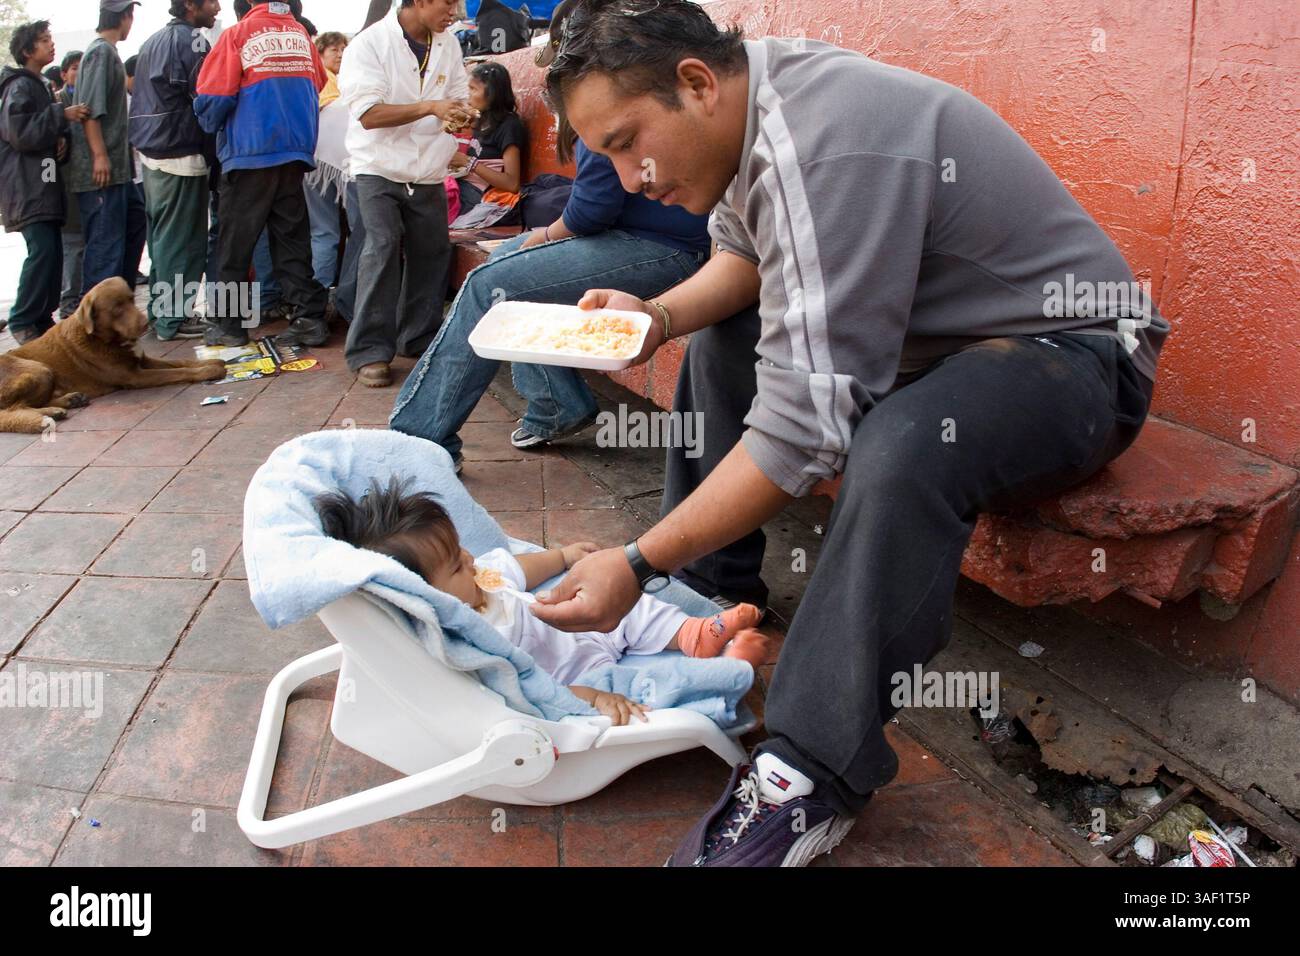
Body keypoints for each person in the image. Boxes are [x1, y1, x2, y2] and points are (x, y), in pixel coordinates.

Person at [531, 0, 1170, 866]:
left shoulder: (827, 144)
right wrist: (656, 314)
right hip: (938, 343)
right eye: (602, 152)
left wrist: (638, 557)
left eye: (623, 139)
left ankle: (811, 772)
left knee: (906, 445)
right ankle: (712, 604)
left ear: (693, 83)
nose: (628, 174)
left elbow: (799, 439)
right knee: (723, 341)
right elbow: (747, 259)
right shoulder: (748, 103)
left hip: (1075, 355)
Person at [314, 478, 769, 722]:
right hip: (576, 674)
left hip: (581, 623)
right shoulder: (462, 644)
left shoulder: (482, 574)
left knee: (633, 604)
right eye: (454, 565)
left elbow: (520, 566)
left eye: (459, 549)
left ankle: (693, 635)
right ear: (422, 599)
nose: (468, 560)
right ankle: (721, 672)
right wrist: (585, 695)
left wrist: (563, 556)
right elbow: (518, 692)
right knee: (631, 695)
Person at [337, 0, 473, 387]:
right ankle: (368, 351)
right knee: (381, 247)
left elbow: (459, 98)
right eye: (448, 2)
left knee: (431, 253)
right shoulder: (369, 44)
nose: (456, 11)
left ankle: (416, 338)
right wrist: (432, 106)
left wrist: (460, 117)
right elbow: (369, 114)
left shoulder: (449, 44)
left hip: (428, 169)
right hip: (378, 167)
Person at [194, 0, 331, 347]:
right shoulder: (300, 33)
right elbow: (318, 81)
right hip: (294, 152)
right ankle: (308, 318)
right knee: (291, 239)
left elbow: (213, 96)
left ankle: (228, 325)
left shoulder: (238, 34)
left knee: (235, 243)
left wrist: (212, 124)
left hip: (251, 153)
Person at [129, 0, 222, 340]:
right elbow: (208, 96)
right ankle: (174, 319)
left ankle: (163, 313)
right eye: (211, 1)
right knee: (182, 241)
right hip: (180, 153)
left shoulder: (153, 40)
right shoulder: (192, 41)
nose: (217, 7)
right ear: (189, 5)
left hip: (155, 153)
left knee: (164, 240)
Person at [0, 21, 88, 344]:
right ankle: (23, 318)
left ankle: (40, 318)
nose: (51, 45)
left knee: (51, 252)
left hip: (43, 185)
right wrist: (60, 116)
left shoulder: (37, 85)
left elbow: (43, 137)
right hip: (27, 188)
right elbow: (20, 133)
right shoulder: (19, 87)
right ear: (27, 51)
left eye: (51, 39)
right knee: (43, 251)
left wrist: (60, 141)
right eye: (43, 41)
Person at [69, 0, 147, 297]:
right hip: (103, 171)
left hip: (119, 169)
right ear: (126, 16)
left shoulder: (107, 52)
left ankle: (118, 306)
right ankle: (96, 327)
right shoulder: (100, 52)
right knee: (105, 246)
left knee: (133, 224)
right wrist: (100, 155)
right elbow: (89, 110)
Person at [447, 61, 526, 221]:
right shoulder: (483, 120)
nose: (468, 94)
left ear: (492, 93)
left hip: (479, 197)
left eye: (473, 89)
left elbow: (512, 183)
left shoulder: (509, 125)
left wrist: (468, 162)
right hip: (464, 187)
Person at [303, 30, 348, 290]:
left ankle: (319, 294)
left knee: (323, 230)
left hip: (314, 162)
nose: (341, 55)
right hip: (330, 165)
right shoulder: (326, 79)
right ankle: (325, 290)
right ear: (320, 54)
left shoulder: (328, 78)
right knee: (328, 230)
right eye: (334, 50)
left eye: (344, 49)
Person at [54, 50, 84, 319]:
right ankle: (68, 304)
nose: (79, 72)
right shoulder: (59, 105)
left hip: (85, 186)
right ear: (64, 74)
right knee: (73, 247)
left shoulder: (84, 102)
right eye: (74, 68)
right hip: (66, 189)